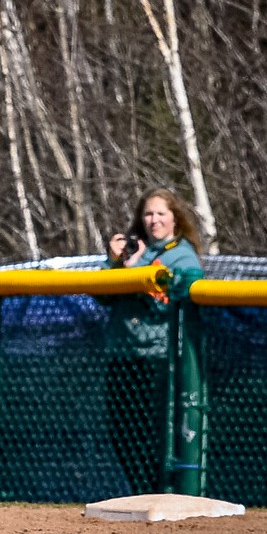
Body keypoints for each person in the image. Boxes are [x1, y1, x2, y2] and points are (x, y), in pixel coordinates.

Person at [97, 188, 206, 496]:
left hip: (160, 359)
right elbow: (102, 296)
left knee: (152, 434)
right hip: (123, 355)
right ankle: (139, 492)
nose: (153, 220)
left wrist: (136, 272)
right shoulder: (137, 251)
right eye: (148, 214)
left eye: (161, 213)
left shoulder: (181, 255)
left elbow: (167, 304)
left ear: (175, 218)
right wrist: (116, 262)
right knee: (122, 434)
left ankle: (159, 492)